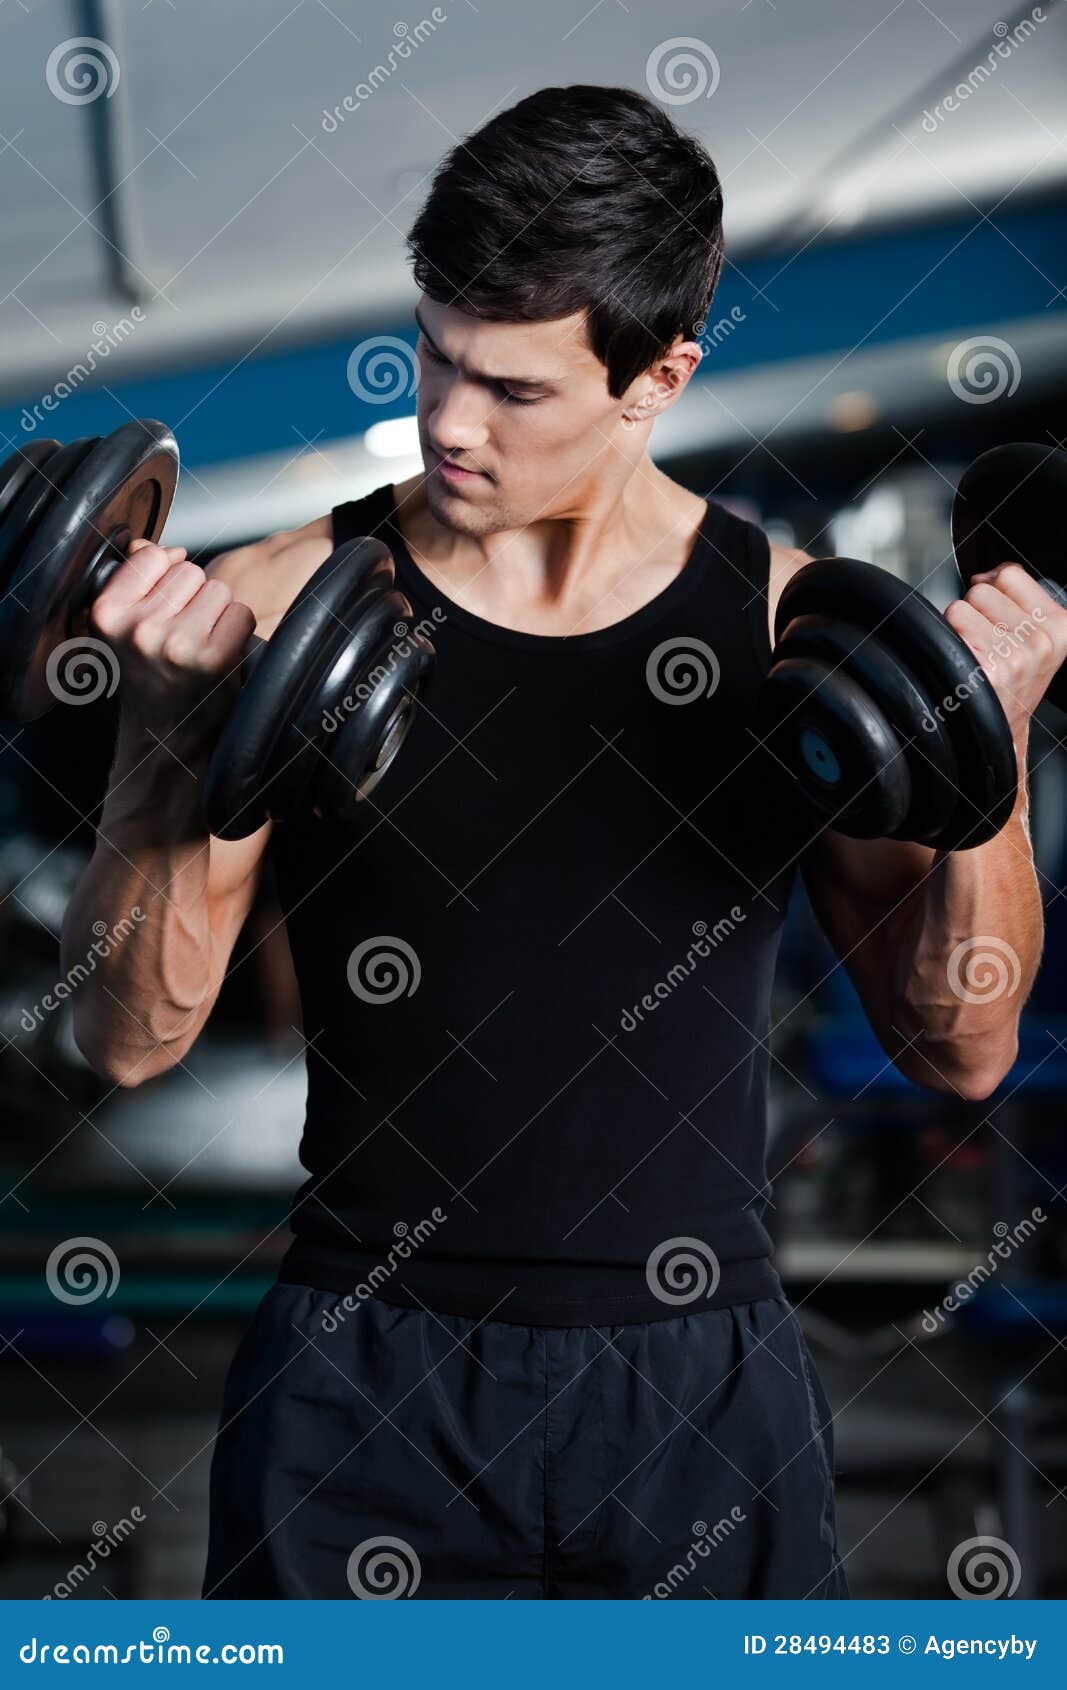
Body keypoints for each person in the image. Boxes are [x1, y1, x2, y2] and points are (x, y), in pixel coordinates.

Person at [62, 85, 1054, 1600]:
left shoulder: (801, 628)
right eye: (437, 357)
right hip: (358, 1369)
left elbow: (961, 1046)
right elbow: (130, 1037)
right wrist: (158, 734)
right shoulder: (279, 601)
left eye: (514, 390)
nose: (450, 422)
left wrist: (992, 741)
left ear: (661, 376)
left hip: (697, 1378)